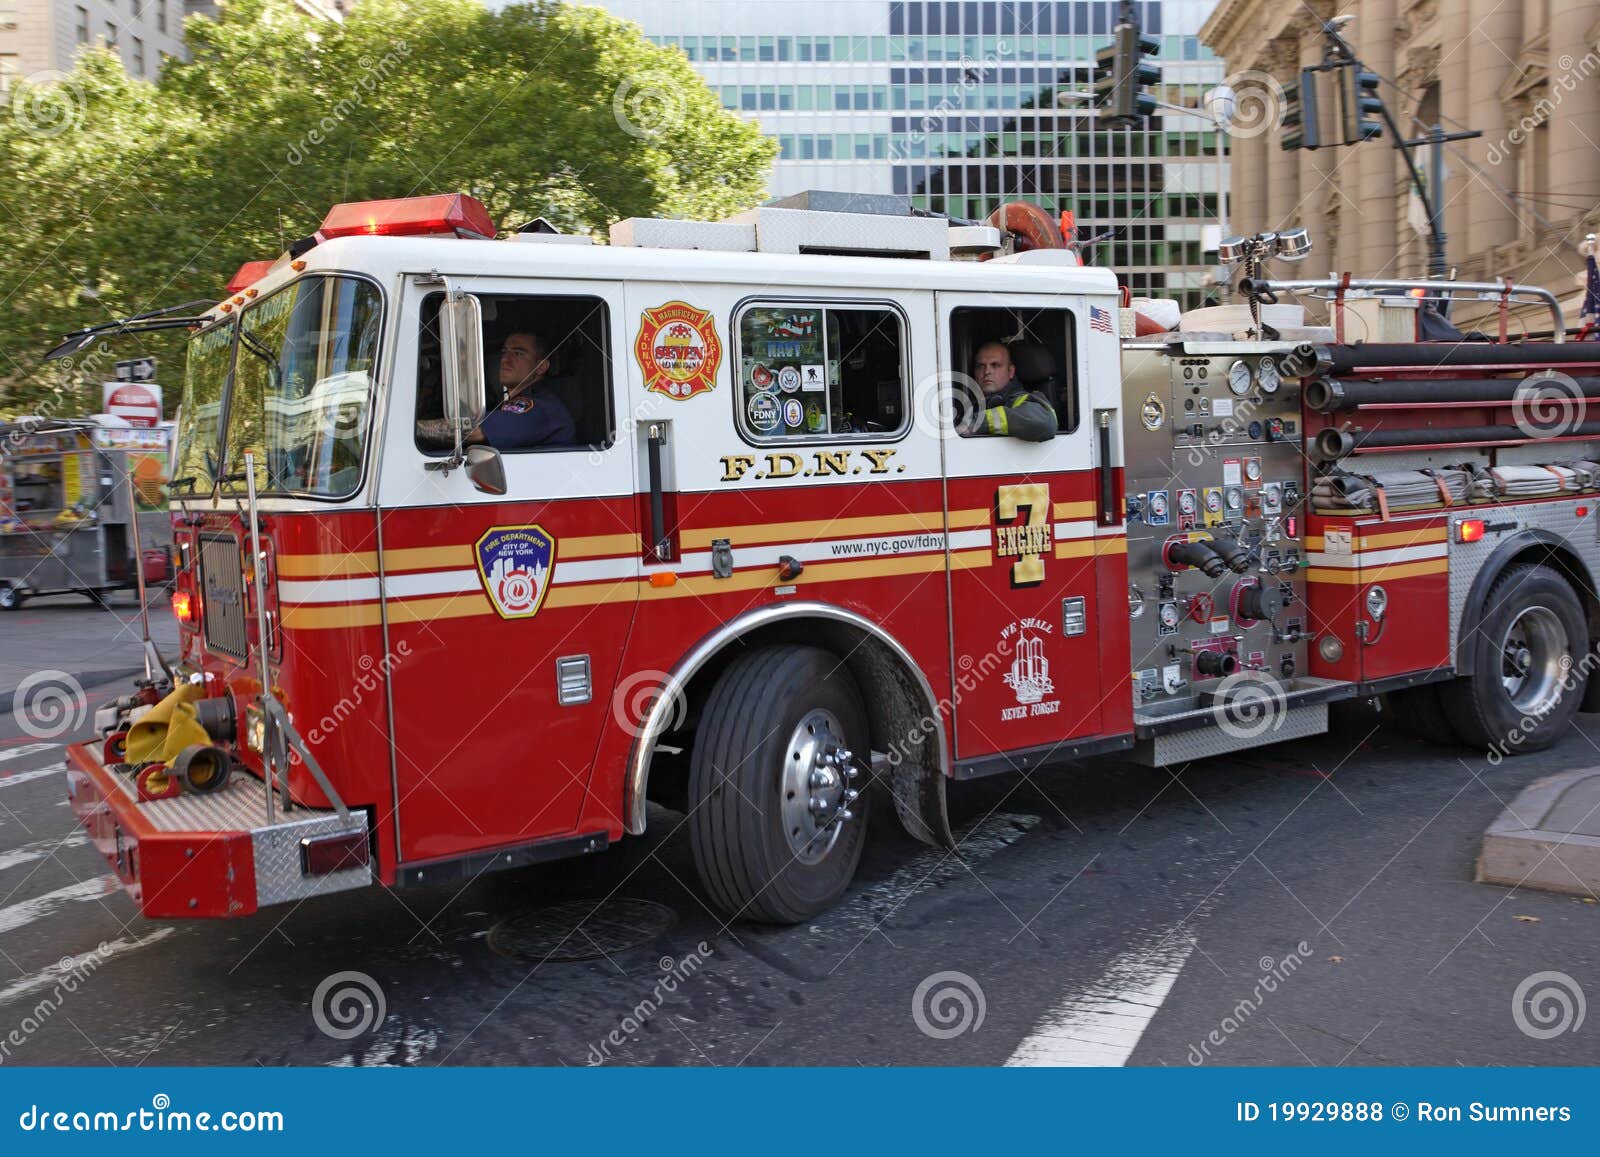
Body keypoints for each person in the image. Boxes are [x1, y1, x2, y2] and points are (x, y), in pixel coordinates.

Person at [471, 331, 576, 449]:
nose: (505, 360)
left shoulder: (542, 407)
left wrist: (449, 427)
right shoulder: (506, 401)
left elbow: (476, 432)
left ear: (540, 367)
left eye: (518, 353)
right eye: (504, 352)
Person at [965, 340, 1056, 442]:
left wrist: (976, 423)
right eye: (980, 366)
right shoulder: (967, 402)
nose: (987, 372)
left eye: (995, 365)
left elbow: (1044, 423)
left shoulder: (1023, 399)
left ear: (1011, 371)